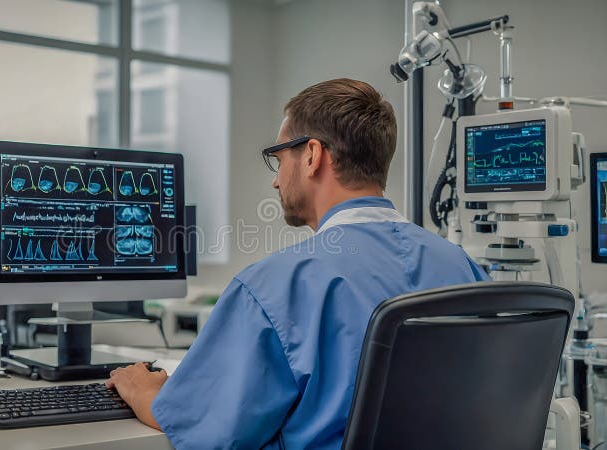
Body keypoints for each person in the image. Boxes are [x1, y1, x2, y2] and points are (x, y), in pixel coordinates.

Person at [106, 78, 490, 449]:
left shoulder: (274, 286)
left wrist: (143, 389)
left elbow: (207, 429)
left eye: (278, 160)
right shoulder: (466, 269)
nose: (276, 182)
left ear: (311, 156)